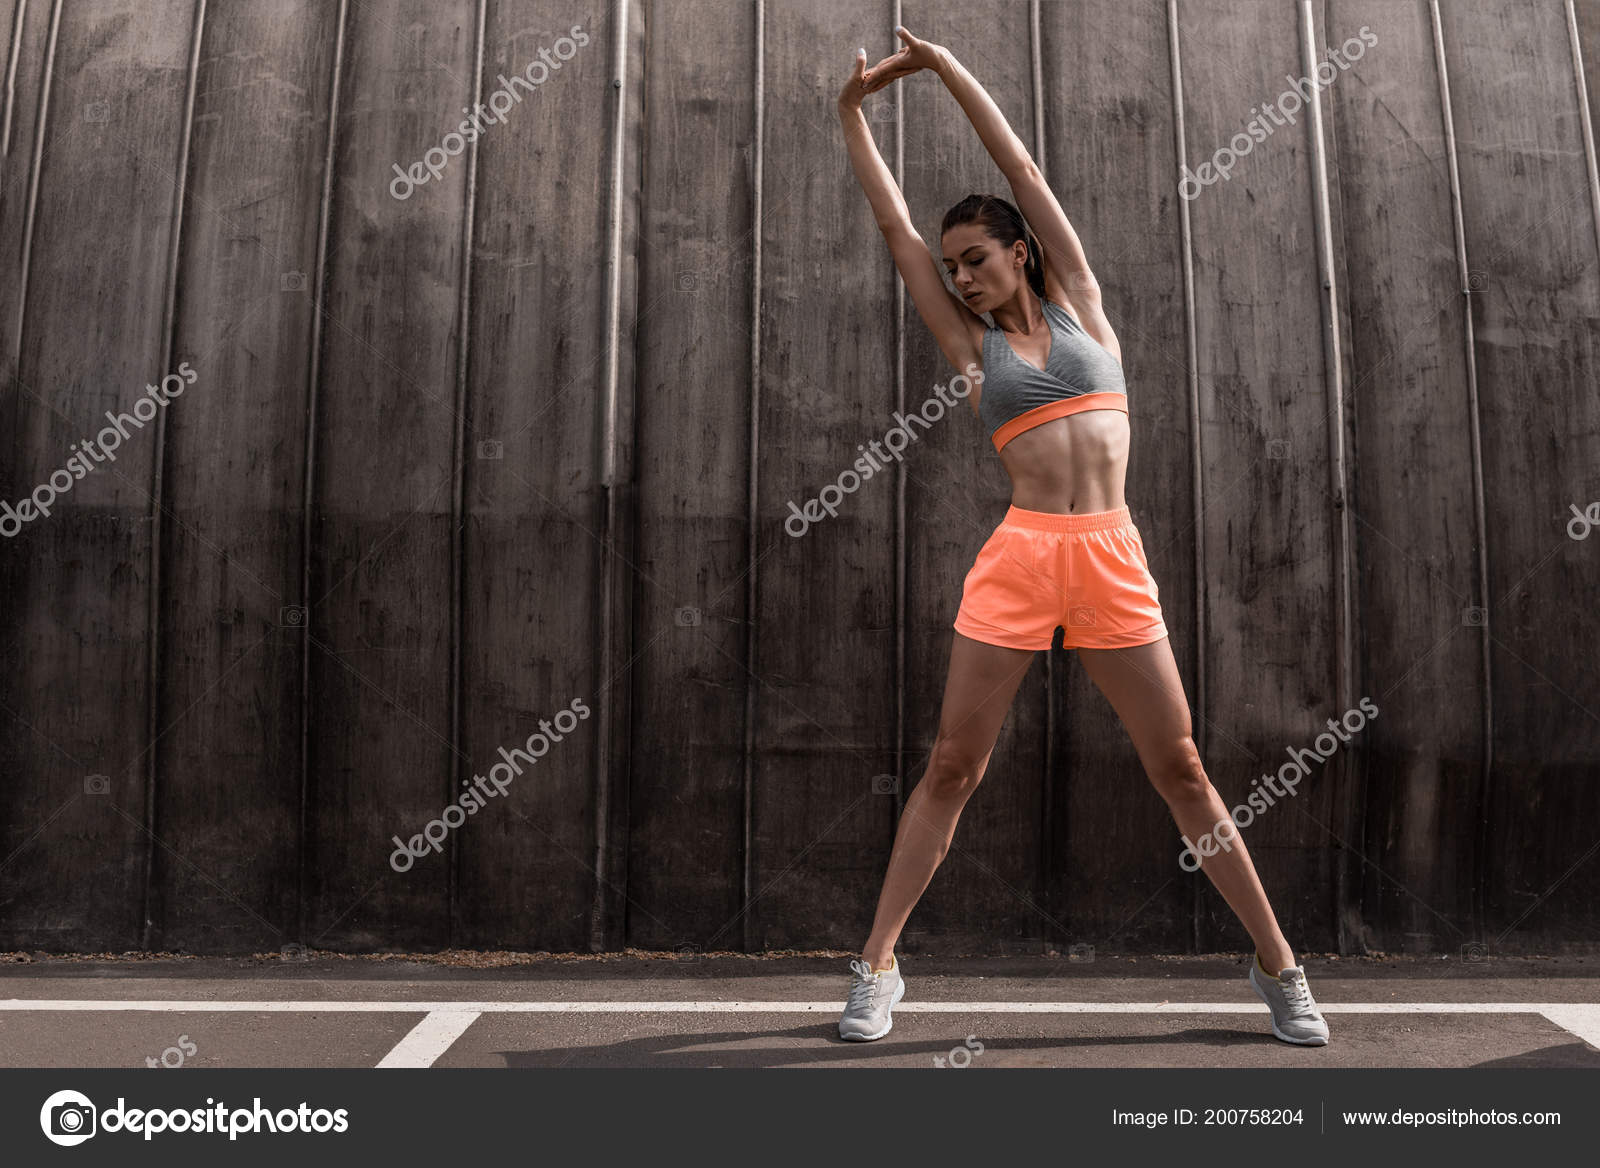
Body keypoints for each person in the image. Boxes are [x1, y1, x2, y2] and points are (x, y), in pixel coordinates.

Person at [831, 26, 1328, 1048]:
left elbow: (1015, 161)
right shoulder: (969, 345)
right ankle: (877, 966)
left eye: (977, 259)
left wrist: (940, 68)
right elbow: (893, 234)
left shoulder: (1088, 311)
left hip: (1109, 559)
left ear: (1020, 250)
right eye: (954, 267)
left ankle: (1277, 966)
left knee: (1182, 766)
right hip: (1020, 561)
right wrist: (849, 114)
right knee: (954, 767)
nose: (962, 277)